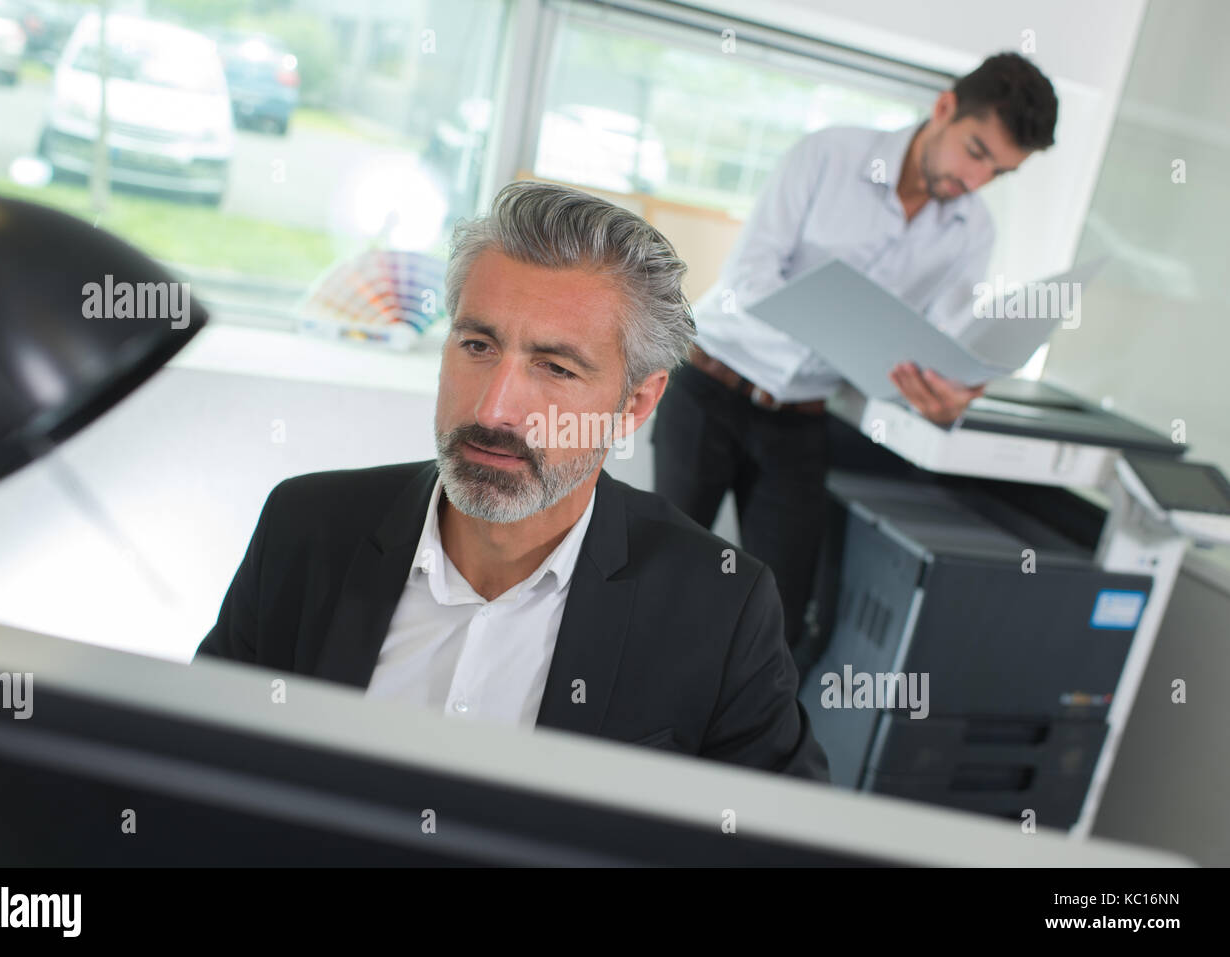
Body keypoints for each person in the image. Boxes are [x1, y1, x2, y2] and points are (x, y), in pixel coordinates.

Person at [196, 181, 829, 782]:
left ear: (634, 405)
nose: (494, 409)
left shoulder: (721, 608)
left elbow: (781, 837)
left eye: (555, 368)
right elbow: (198, 763)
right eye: (477, 345)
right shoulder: (304, 527)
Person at [651, 52, 1058, 671]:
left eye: (998, 172)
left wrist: (945, 390)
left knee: (780, 620)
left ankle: (727, 734)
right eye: (976, 152)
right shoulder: (830, 155)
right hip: (711, 388)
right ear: (944, 107)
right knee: (664, 584)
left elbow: (941, 340)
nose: (976, 180)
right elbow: (749, 279)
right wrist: (852, 334)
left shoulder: (972, 231)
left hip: (801, 419)